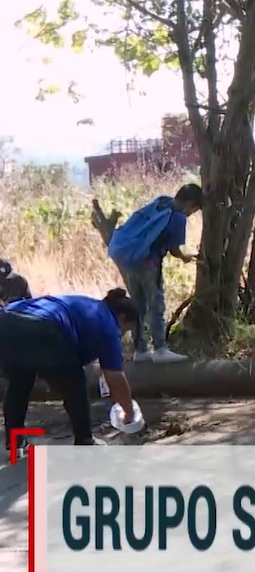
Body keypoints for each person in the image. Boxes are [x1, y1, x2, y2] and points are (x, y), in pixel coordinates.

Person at [1, 289, 140, 451]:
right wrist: (129, 413)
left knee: (20, 382)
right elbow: (115, 377)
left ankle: (14, 442)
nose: (123, 334)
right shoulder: (109, 324)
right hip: (42, 328)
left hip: (6, 321)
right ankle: (85, 442)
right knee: (75, 387)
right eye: (127, 330)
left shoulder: (90, 306)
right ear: (123, 319)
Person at [112, 183, 203, 363]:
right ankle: (160, 348)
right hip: (149, 263)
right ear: (190, 203)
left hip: (131, 260)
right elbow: (175, 250)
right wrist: (187, 257)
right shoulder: (178, 217)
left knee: (138, 306)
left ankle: (140, 350)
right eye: (195, 209)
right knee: (156, 305)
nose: (192, 214)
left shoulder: (161, 202)